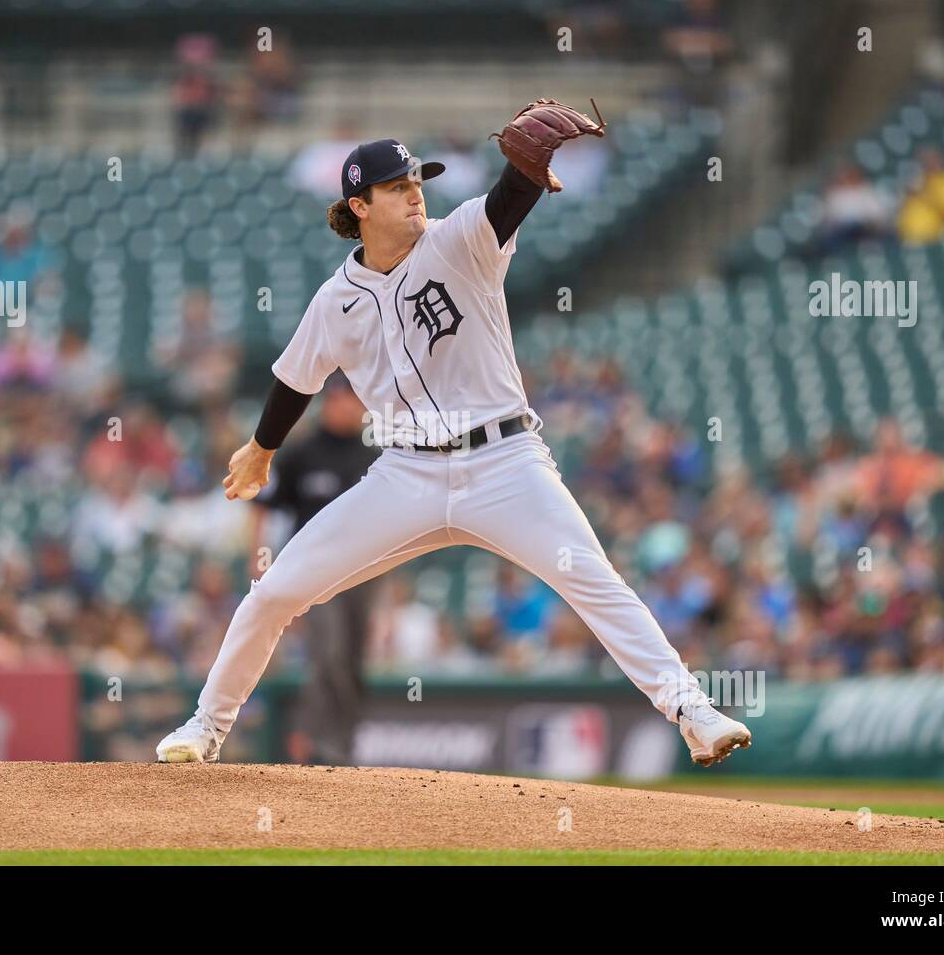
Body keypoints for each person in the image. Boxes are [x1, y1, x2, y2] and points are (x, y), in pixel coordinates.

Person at [157, 101, 752, 769]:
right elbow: (297, 381)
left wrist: (526, 169)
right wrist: (260, 451)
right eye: (399, 187)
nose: (416, 194)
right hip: (404, 476)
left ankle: (692, 712)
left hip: (505, 462)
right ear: (359, 205)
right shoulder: (336, 300)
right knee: (275, 593)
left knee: (592, 578)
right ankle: (206, 728)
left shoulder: (459, 238)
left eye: (419, 182)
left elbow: (507, 199)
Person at [250, 373, 380, 765]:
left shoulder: (374, 455)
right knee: (329, 655)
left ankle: (344, 745)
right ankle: (323, 747)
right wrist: (258, 561)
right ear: (328, 402)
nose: (349, 406)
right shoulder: (302, 452)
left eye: (355, 399)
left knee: (353, 660)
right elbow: (261, 508)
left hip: (365, 572)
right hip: (318, 574)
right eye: (342, 398)